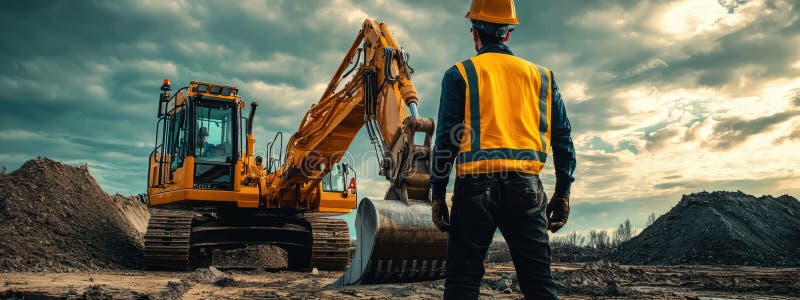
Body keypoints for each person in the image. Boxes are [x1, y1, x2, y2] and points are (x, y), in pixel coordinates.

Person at [429, 0, 576, 299]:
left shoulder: (459, 74)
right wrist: (563, 192)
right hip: (527, 189)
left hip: (474, 189)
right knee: (539, 284)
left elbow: (446, 140)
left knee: (462, 282)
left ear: (475, 33)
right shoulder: (543, 77)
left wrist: (438, 193)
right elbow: (563, 139)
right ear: (508, 33)